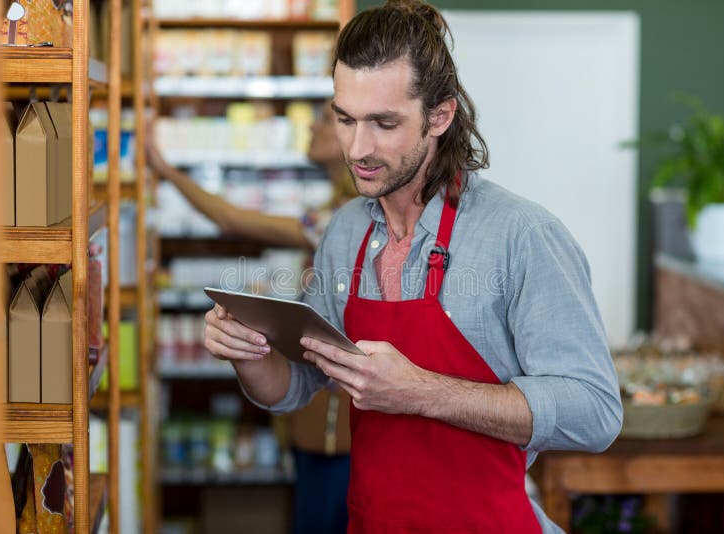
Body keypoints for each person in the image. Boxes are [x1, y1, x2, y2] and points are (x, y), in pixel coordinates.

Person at [204, 1, 623, 532]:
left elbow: (595, 412)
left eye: (384, 123)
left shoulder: (521, 236)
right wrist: (247, 352)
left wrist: (419, 391)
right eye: (345, 119)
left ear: (440, 116)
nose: (358, 148)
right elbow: (294, 386)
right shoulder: (345, 233)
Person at [147, 104, 354, 534]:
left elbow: (230, 217)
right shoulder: (334, 210)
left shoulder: (342, 220)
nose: (311, 125)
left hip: (336, 429)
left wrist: (165, 169)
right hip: (318, 418)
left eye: (324, 119)